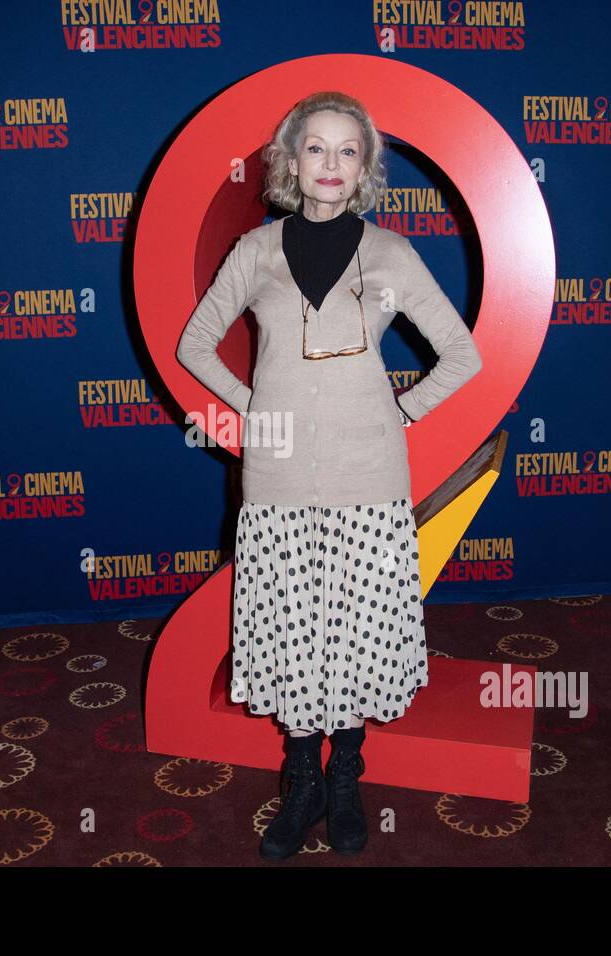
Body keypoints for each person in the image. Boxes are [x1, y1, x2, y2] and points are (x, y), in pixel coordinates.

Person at [176, 91, 483, 861]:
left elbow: (461, 354)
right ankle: (300, 781)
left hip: (370, 476)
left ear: (367, 167)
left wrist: (404, 412)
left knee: (353, 632)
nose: (332, 164)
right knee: (293, 630)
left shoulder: (392, 255)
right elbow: (196, 343)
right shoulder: (256, 250)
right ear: (290, 159)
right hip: (277, 482)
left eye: (349, 151)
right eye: (317, 148)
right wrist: (258, 413)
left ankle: (346, 778)